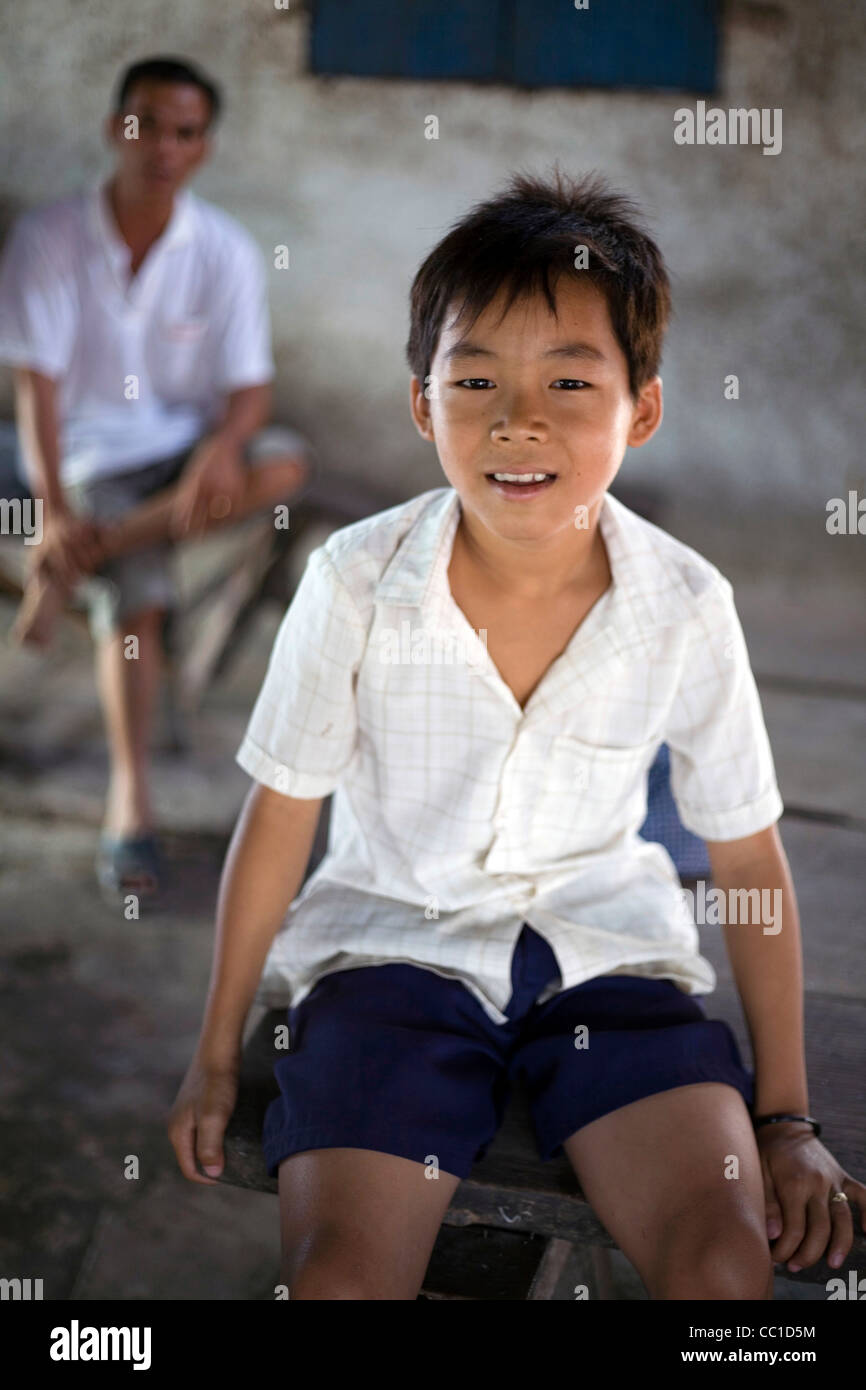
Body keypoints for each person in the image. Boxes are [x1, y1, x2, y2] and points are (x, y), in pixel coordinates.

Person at [167, 168, 865, 1300]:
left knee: (724, 1268)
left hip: (608, 966)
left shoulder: (683, 605)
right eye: (474, 376)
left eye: (569, 379)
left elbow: (744, 857)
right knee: (339, 1283)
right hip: (392, 956)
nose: (516, 417)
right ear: (420, 403)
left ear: (641, 407)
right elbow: (282, 810)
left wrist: (784, 1120)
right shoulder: (353, 581)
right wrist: (211, 1057)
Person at [0, 56, 314, 900]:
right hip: (88, 458)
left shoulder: (224, 251)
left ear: (203, 148)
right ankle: (129, 804)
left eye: (184, 131)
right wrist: (56, 507)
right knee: (136, 593)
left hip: (181, 459)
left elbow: (250, 390)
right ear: (115, 129)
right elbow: (38, 389)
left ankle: (77, 556)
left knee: (281, 459)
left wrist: (222, 443)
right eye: (145, 124)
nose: (162, 146)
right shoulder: (51, 238)